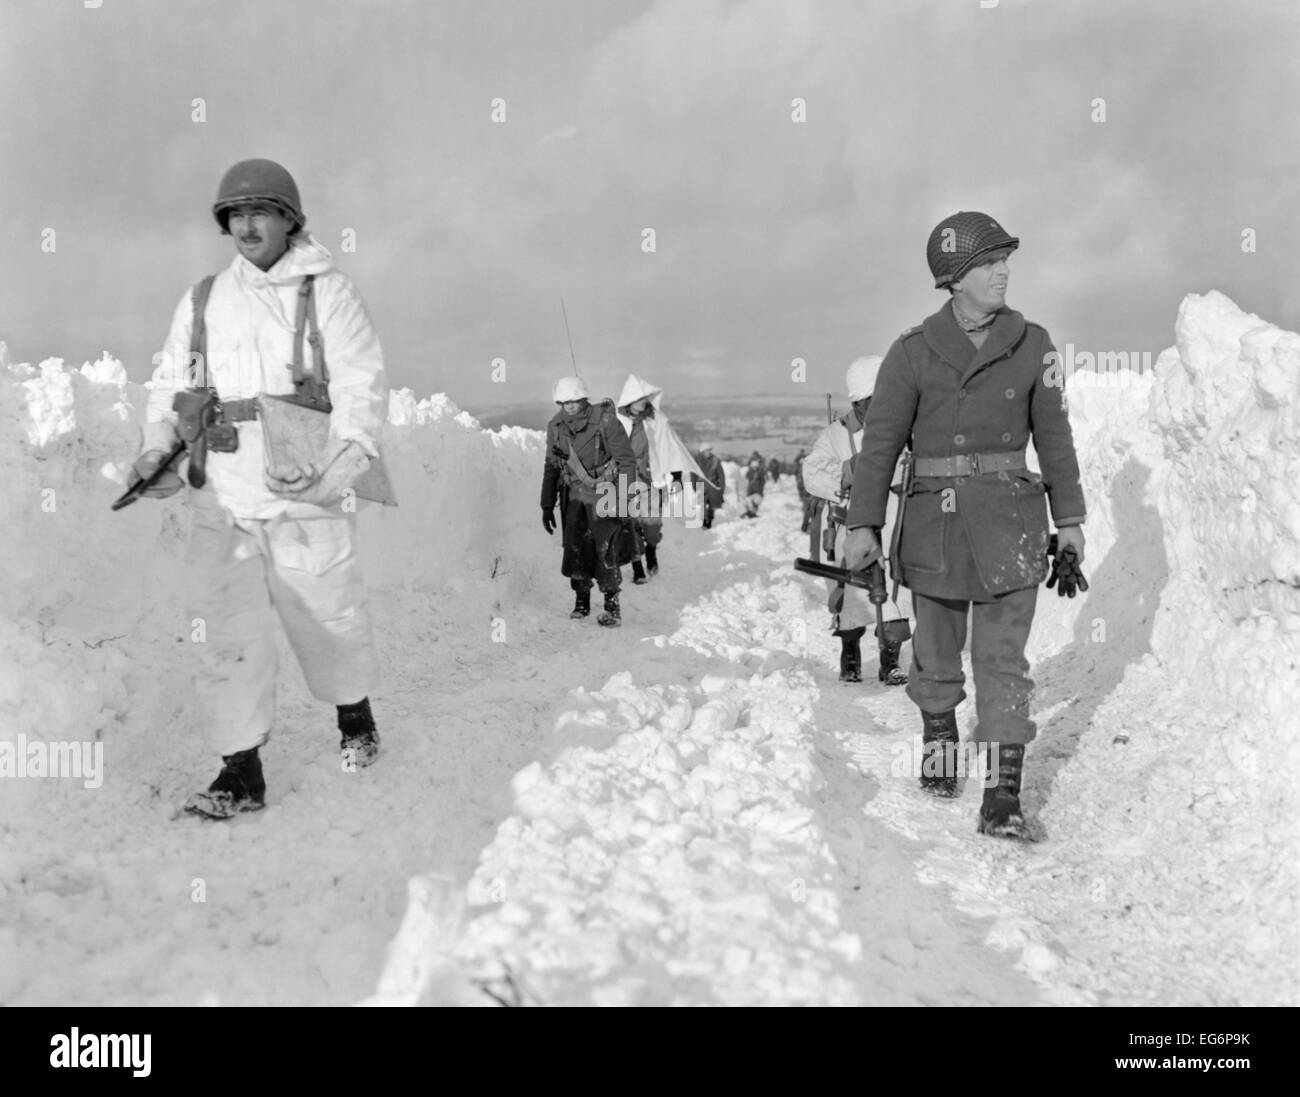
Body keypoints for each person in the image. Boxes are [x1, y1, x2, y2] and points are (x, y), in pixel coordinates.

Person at [132, 158, 389, 820]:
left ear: (288, 220)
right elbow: (170, 382)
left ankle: (354, 714)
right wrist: (155, 448)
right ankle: (241, 770)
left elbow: (362, 381)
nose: (247, 226)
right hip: (222, 491)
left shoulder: (326, 292)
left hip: (304, 482)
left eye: (261, 213)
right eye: (236, 215)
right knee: (227, 631)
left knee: (325, 611)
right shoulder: (203, 299)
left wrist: (348, 457)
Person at [843, 211, 1086, 840]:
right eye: (986, 263)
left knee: (1002, 660)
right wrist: (863, 523)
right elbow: (879, 447)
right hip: (936, 525)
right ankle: (942, 743)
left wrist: (1071, 521)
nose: (1002, 271)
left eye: (1004, 258)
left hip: (1012, 521)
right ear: (953, 280)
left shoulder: (1035, 344)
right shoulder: (911, 353)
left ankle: (1003, 794)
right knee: (935, 650)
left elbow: (1055, 439)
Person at [803, 358, 910, 685]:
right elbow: (812, 474)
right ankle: (850, 656)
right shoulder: (835, 435)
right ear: (860, 401)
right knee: (850, 595)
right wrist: (850, 471)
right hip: (849, 525)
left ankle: (889, 662)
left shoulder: (905, 429)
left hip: (893, 521)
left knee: (896, 592)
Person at [541, 376, 637, 626]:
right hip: (573, 496)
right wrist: (546, 504)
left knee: (605, 548)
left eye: (574, 401)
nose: (569, 406)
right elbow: (551, 466)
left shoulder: (605, 419)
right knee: (574, 549)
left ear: (584, 398)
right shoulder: (556, 426)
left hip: (604, 493)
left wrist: (625, 497)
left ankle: (611, 605)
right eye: (564, 402)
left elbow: (626, 461)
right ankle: (581, 600)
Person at [615, 374, 707, 583]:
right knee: (630, 524)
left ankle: (652, 549)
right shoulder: (617, 422)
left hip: (651, 480)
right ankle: (637, 566)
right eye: (638, 398)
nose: (642, 402)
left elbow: (670, 449)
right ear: (629, 399)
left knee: (651, 527)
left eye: (644, 398)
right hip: (625, 480)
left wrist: (674, 478)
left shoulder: (656, 420)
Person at [694, 443, 725, 529]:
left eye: (709, 450)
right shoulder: (696, 461)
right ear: (702, 451)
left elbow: (721, 475)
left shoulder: (716, 461)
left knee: (712, 505)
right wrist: (694, 486)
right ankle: (704, 521)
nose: (709, 452)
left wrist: (721, 488)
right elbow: (693, 474)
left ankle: (710, 520)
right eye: (707, 450)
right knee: (701, 505)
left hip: (713, 484)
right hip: (701, 485)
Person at [793, 448, 812, 531]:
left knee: (808, 509)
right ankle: (805, 526)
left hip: (807, 492)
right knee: (808, 509)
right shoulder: (805, 467)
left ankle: (805, 525)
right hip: (807, 492)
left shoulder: (802, 462)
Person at [742, 452, 766, 518]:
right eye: (753, 467)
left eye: (756, 467)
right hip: (751, 489)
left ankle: (753, 513)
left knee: (755, 502)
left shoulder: (760, 472)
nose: (754, 468)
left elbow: (763, 481)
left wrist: (760, 489)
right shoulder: (750, 471)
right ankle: (749, 513)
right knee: (748, 501)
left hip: (758, 490)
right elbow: (747, 477)